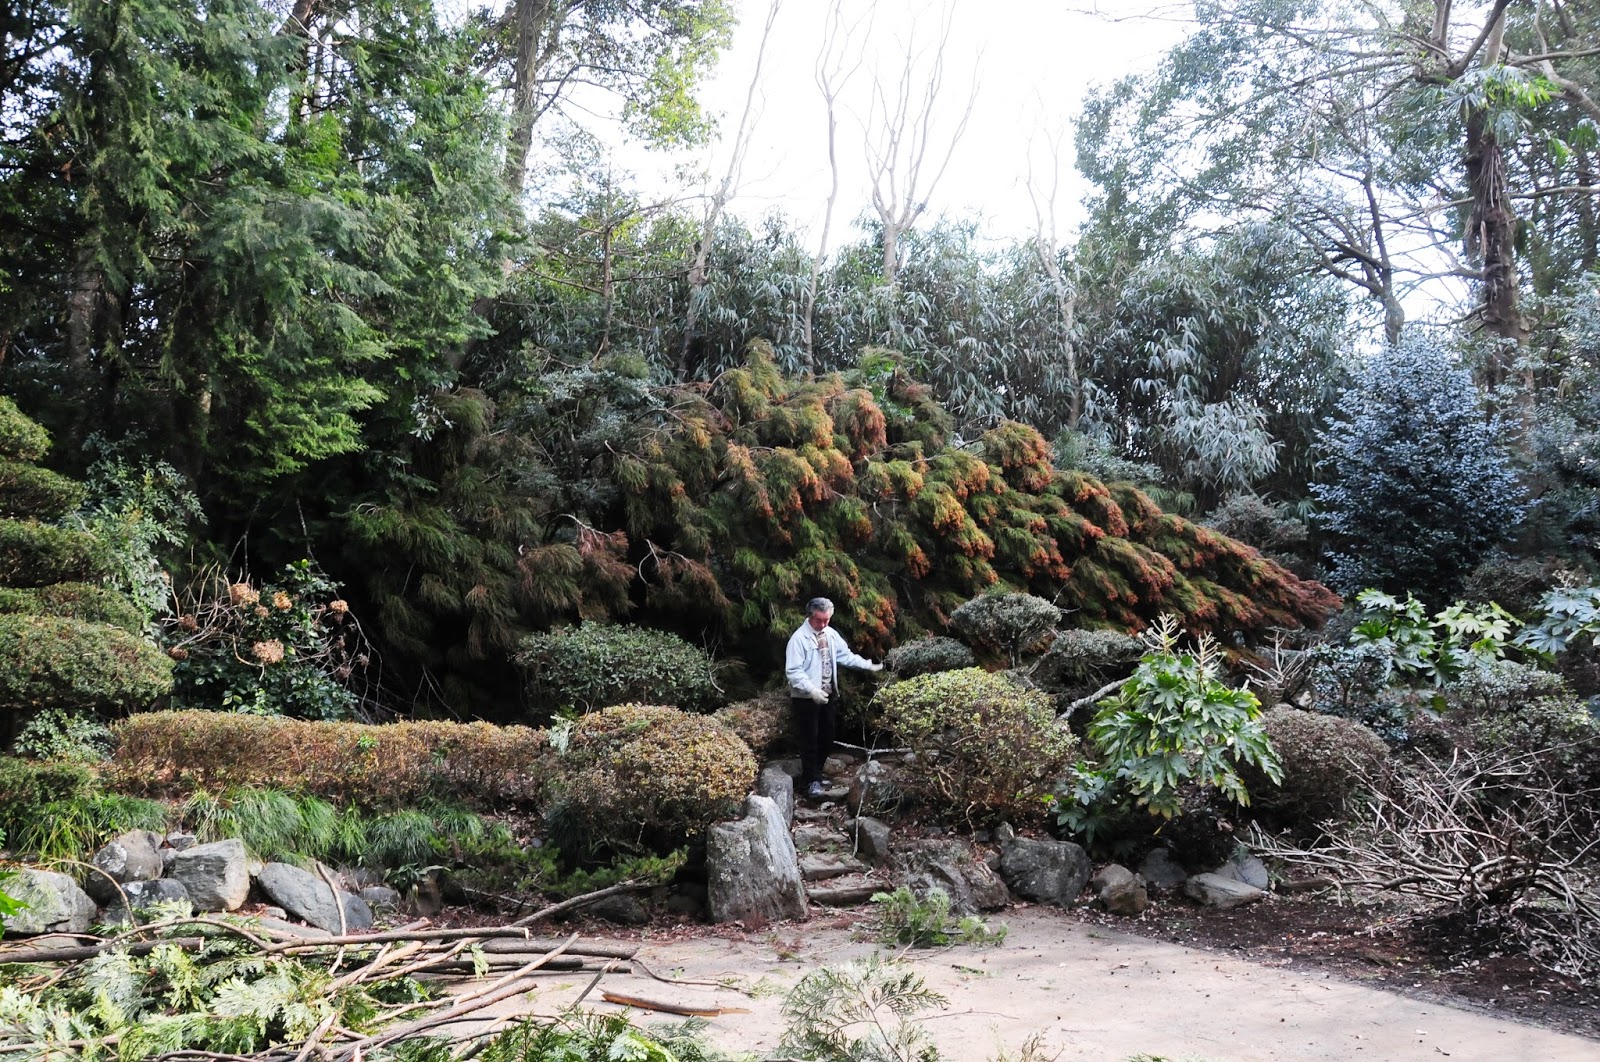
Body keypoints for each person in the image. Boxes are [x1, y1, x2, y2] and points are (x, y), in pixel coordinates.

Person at [785, 596, 882, 799]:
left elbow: (844, 655)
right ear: (810, 616)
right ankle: (810, 782)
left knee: (827, 737)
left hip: (828, 695)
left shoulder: (829, 634)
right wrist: (811, 690)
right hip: (806, 698)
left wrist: (867, 665)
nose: (824, 624)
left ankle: (816, 776)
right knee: (809, 740)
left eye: (827, 619)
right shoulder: (799, 639)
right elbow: (793, 671)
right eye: (820, 620)